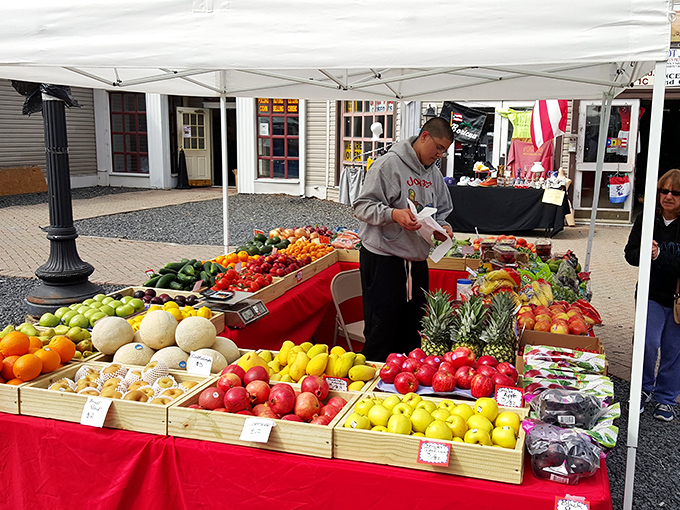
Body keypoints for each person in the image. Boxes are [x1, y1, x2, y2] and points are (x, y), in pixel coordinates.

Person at [353, 117, 454, 362]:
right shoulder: (387, 165)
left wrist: (444, 228)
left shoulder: (434, 174)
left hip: (416, 262)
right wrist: (393, 214)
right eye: (438, 147)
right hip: (383, 260)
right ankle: (372, 389)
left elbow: (442, 211)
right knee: (382, 331)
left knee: (413, 332)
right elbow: (361, 207)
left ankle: (405, 387)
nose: (439, 155)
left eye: (445, 151)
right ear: (424, 136)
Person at [624, 168, 680, 421]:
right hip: (651, 293)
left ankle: (666, 398)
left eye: (676, 193)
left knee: (673, 349)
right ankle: (642, 390)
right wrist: (645, 253)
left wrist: (660, 255)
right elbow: (630, 254)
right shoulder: (645, 219)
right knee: (647, 343)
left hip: (678, 299)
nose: (668, 196)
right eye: (664, 191)